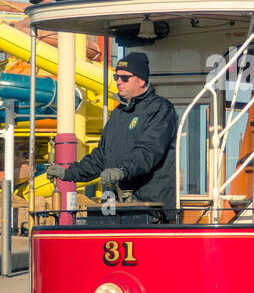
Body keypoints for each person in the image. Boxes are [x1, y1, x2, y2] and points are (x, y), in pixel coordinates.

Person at [45, 51, 177, 219]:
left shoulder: (160, 109)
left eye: (125, 78)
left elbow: (148, 151)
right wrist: (68, 173)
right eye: (116, 77)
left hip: (149, 207)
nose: (119, 82)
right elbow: (100, 157)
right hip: (115, 205)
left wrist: (121, 171)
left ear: (141, 80)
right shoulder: (118, 113)